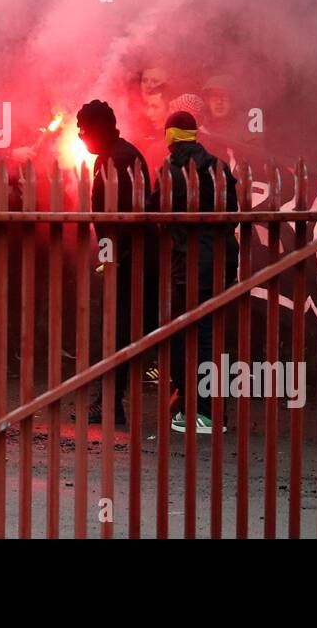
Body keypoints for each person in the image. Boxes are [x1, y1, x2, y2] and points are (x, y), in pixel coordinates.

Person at [149, 109, 239, 434]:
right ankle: (204, 410)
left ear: (170, 136)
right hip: (221, 261)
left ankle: (203, 413)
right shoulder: (219, 167)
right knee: (209, 337)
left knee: (193, 338)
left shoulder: (171, 170)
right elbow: (232, 215)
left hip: (190, 265)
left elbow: (154, 212)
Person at [75, 98, 151, 427]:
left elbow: (119, 217)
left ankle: (111, 402)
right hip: (125, 256)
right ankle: (110, 400)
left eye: (85, 129)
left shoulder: (119, 159)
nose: (81, 135)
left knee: (120, 329)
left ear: (101, 128)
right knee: (120, 328)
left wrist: (112, 255)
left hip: (132, 258)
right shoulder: (113, 156)